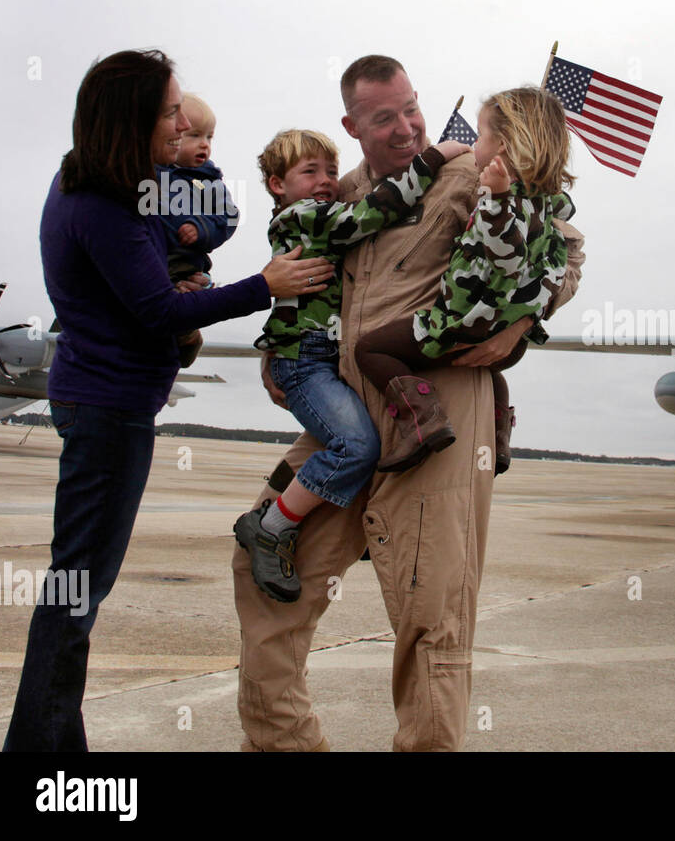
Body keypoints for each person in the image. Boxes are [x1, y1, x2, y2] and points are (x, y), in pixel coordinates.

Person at [234, 55, 585, 752]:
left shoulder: (465, 172)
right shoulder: (339, 196)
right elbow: (309, 288)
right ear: (352, 125)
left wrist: (524, 319)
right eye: (384, 117)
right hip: (344, 420)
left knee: (433, 614)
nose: (407, 127)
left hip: (435, 420)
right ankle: (281, 745)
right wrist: (277, 350)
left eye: (411, 108)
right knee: (262, 566)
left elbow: (565, 250)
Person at [4, 49, 334, 752]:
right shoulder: (100, 202)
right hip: (108, 411)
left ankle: (52, 747)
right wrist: (264, 285)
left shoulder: (103, 183)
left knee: (77, 591)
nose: (184, 120)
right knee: (75, 596)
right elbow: (156, 307)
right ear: (132, 120)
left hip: (107, 404)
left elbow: (169, 262)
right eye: (169, 110)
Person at [233, 128, 470, 603]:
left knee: (372, 439)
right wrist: (435, 156)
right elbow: (370, 213)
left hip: (322, 358)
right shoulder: (303, 218)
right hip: (304, 362)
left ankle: (347, 525)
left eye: (330, 171)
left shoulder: (317, 219)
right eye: (309, 172)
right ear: (278, 185)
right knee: (356, 445)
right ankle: (271, 525)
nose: (324, 180)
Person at [353, 86, 574, 474]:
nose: (475, 144)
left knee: (371, 350)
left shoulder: (502, 200)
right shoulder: (547, 205)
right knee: (491, 374)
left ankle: (422, 421)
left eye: (481, 134)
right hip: (510, 341)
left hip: (465, 324)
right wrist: (525, 320)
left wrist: (496, 199)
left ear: (503, 144)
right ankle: (499, 431)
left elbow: (507, 258)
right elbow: (555, 265)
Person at [158, 92, 241, 367]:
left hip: (185, 261)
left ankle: (187, 338)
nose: (203, 145)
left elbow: (228, 216)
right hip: (154, 256)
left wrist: (200, 228)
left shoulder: (208, 183)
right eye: (194, 135)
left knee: (182, 296)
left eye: (209, 137)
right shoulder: (150, 173)